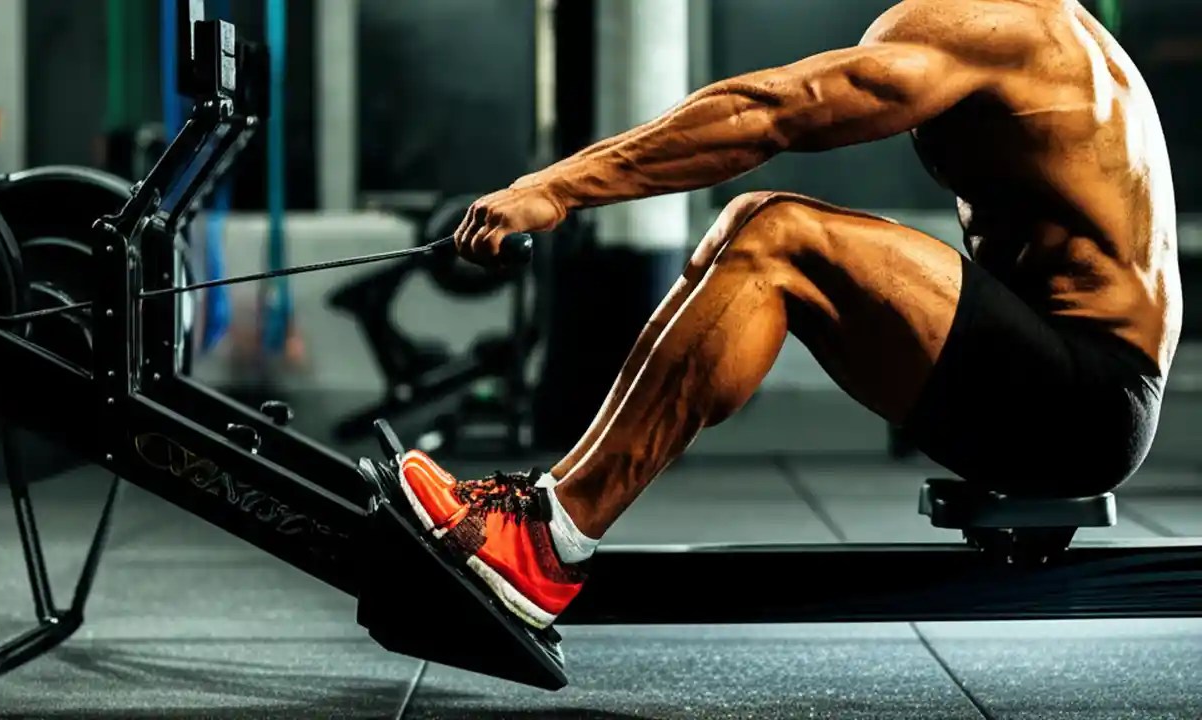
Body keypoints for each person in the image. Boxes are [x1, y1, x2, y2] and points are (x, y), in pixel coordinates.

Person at [385, 0, 1178, 632]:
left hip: (1080, 400)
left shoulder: (996, 23)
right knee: (752, 224)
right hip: (1070, 383)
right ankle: (544, 509)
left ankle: (548, 539)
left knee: (777, 236)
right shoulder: (1051, 26)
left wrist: (558, 187)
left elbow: (775, 113)